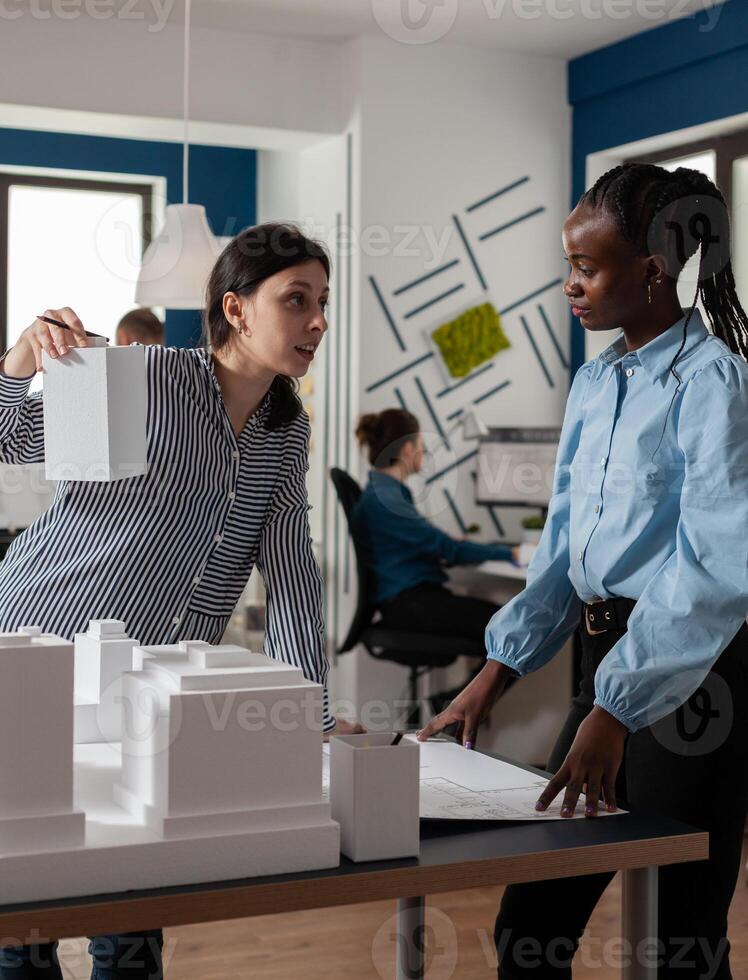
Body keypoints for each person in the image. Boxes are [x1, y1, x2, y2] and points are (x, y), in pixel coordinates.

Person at [0, 223, 362, 980]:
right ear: (236, 309)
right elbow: (7, 435)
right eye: (297, 300)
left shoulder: (282, 433)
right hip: (38, 654)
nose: (318, 321)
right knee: (22, 916)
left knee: (133, 917)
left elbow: (293, 577)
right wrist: (23, 357)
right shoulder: (146, 377)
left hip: (149, 693)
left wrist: (311, 721)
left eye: (323, 302)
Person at [419, 163, 748, 978]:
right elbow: (564, 549)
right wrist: (493, 674)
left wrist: (616, 708)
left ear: (653, 270)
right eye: (569, 264)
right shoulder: (595, 382)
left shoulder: (716, 382)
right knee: (532, 920)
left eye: (587, 267)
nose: (570, 284)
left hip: (693, 679)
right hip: (606, 670)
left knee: (682, 935)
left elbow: (716, 568)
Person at [352, 407, 520, 647]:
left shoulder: (385, 492)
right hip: (410, 603)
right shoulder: (386, 499)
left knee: (506, 626)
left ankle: (473, 687)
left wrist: (446, 544)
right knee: (511, 627)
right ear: (408, 448)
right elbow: (447, 548)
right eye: (421, 444)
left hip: (409, 599)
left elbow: (423, 543)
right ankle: (471, 687)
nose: (423, 451)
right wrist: (511, 553)